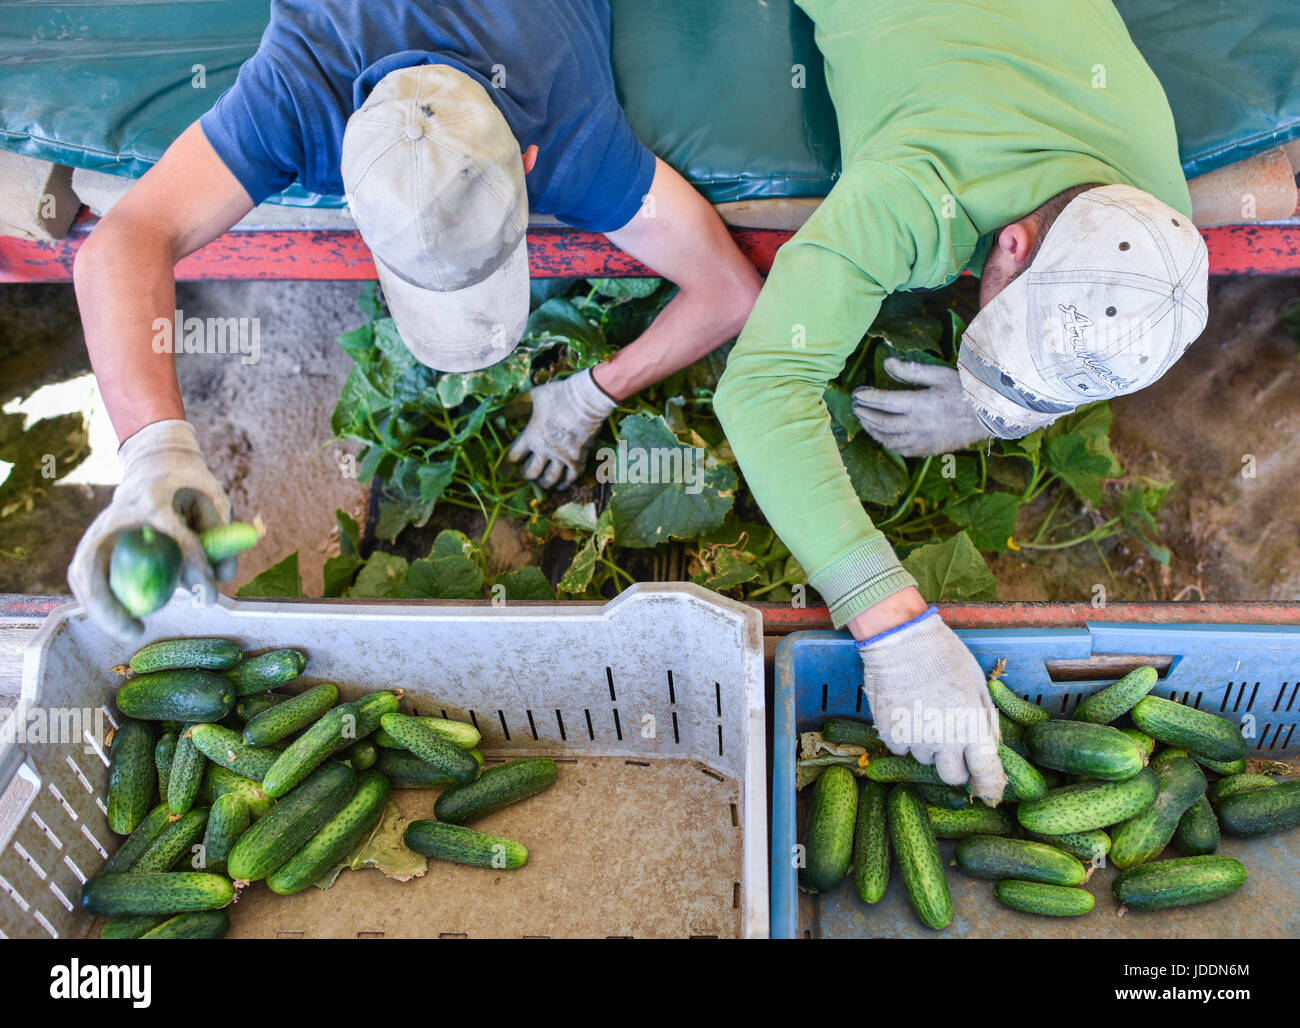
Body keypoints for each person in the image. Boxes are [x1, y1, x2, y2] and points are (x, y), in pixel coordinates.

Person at [68, 0, 760, 640]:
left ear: (528, 164)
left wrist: (592, 393)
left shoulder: (573, 135)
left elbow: (732, 292)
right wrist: (151, 456)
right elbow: (121, 248)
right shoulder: (297, 90)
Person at [714, 0, 1210, 802]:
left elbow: (1102, 330)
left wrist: (988, 409)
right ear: (1009, 242)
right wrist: (893, 627)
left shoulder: (1156, 233)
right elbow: (762, 387)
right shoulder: (911, 198)